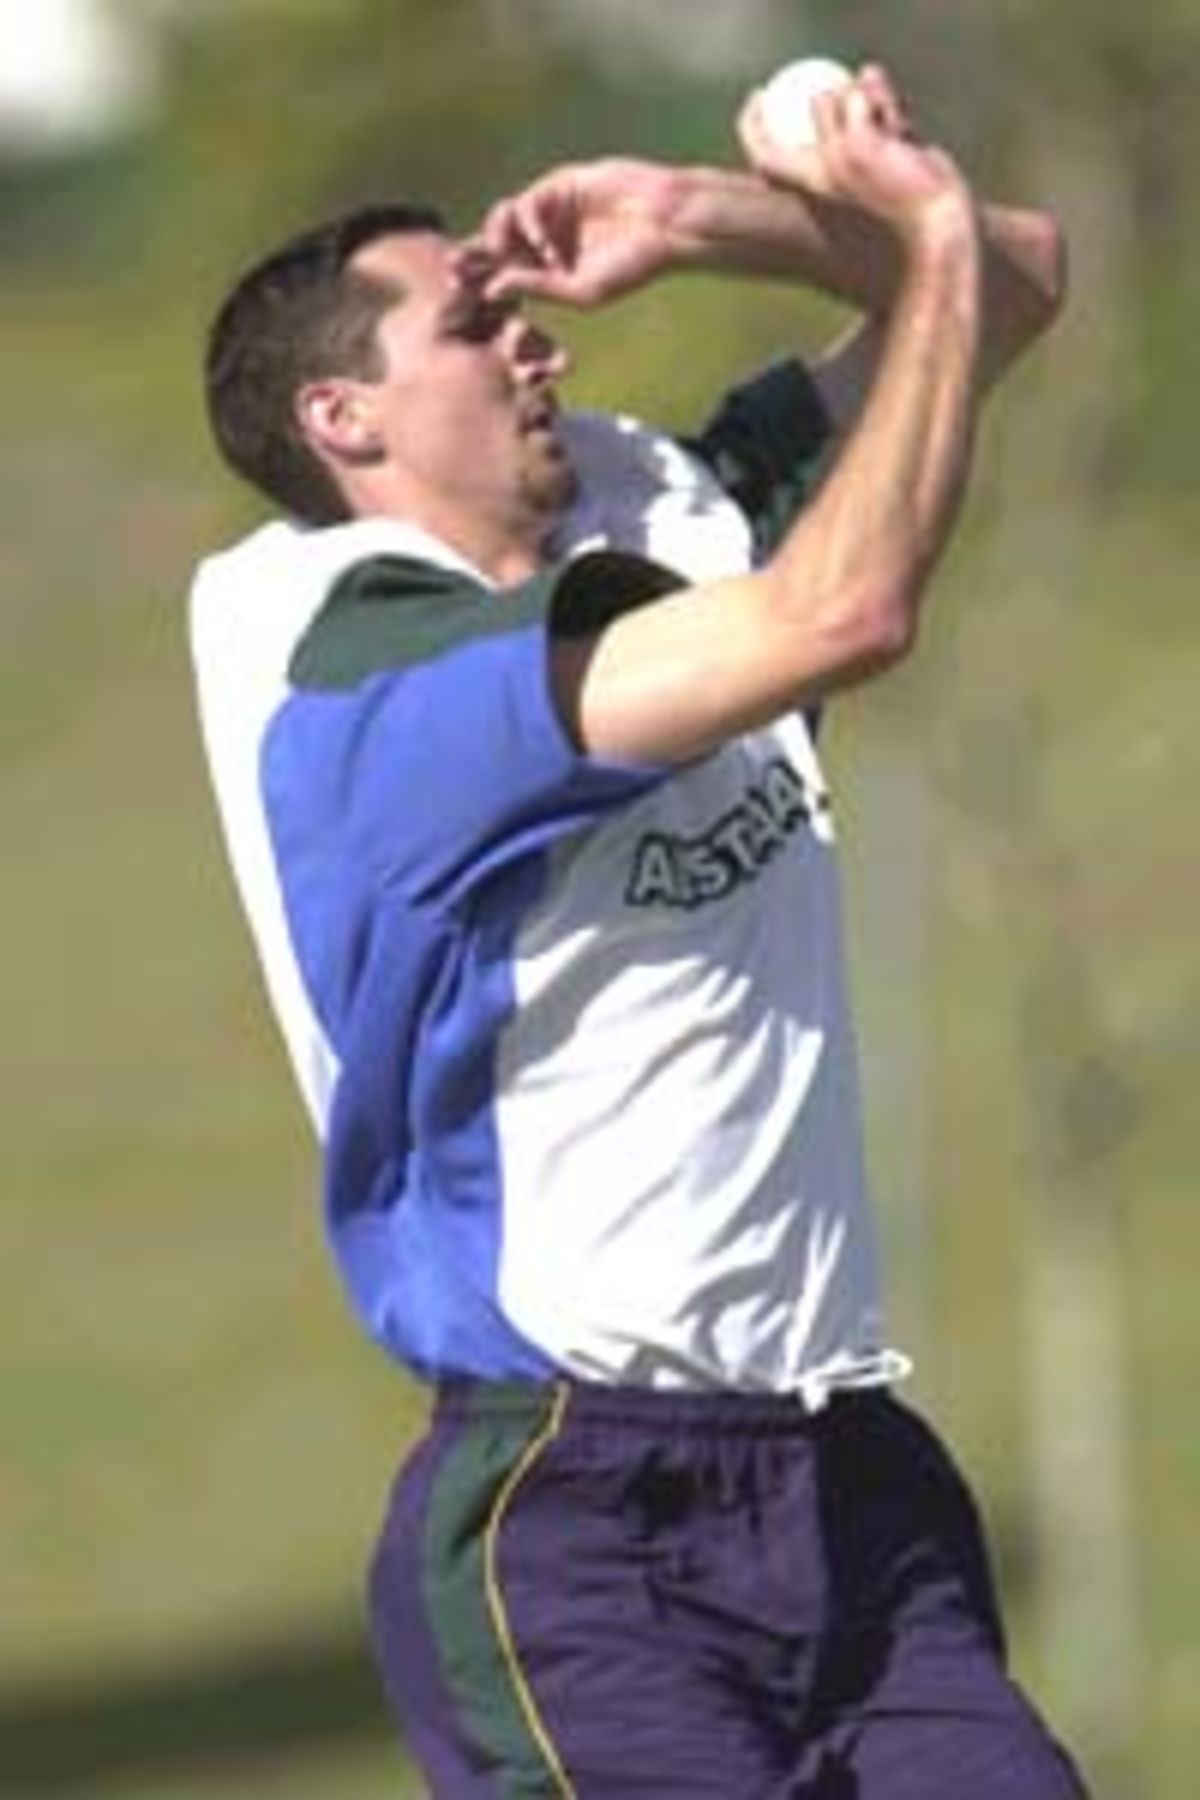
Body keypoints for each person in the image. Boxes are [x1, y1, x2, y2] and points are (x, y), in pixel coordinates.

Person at [190, 62, 1086, 1798]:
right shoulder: (363, 685)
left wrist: (705, 217)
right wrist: (906, 225)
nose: (536, 343)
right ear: (342, 418)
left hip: (848, 1480)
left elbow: (1022, 277)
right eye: (472, 326)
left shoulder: (661, 529)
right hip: (584, 1528)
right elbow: (849, 608)